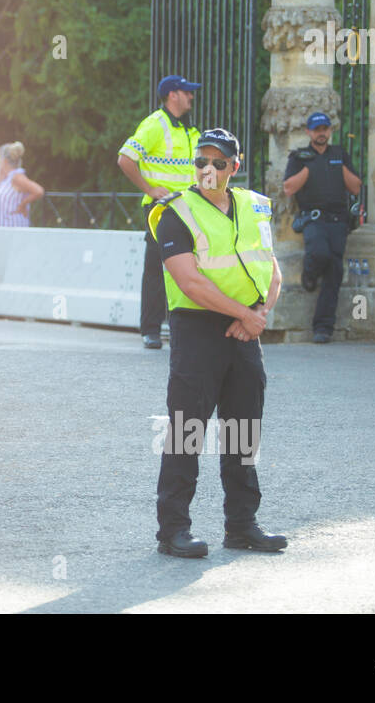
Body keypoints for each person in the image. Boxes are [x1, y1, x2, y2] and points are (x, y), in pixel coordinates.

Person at [147, 128, 287, 558]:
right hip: (199, 330)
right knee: (188, 432)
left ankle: (242, 526)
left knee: (244, 432)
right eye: (201, 161)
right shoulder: (176, 211)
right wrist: (244, 315)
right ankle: (173, 530)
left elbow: (272, 269)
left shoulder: (253, 206)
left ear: (234, 167)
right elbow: (188, 281)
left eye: (219, 162)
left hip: (246, 332)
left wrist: (258, 314)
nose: (208, 169)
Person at [118, 75, 202, 349]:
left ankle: (181, 326)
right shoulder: (155, 124)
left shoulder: (192, 132)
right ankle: (151, 329)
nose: (191, 96)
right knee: (156, 267)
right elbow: (125, 158)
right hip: (162, 209)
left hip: (189, 208)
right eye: (186, 92)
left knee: (188, 267)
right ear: (172, 95)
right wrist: (150, 188)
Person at [282, 111, 362, 343]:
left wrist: (336, 166)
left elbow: (356, 187)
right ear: (309, 132)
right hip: (313, 219)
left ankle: (323, 327)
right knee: (319, 253)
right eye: (317, 130)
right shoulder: (300, 157)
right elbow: (288, 188)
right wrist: (312, 169)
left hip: (338, 220)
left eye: (325, 129)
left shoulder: (339, 154)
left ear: (330, 131)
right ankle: (309, 274)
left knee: (335, 272)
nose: (321, 133)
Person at [0, 141, 44, 226]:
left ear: (4, 160)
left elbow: (39, 191)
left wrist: (22, 205)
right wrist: (1, 175)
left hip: (12, 228)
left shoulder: (16, 176)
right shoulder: (5, 177)